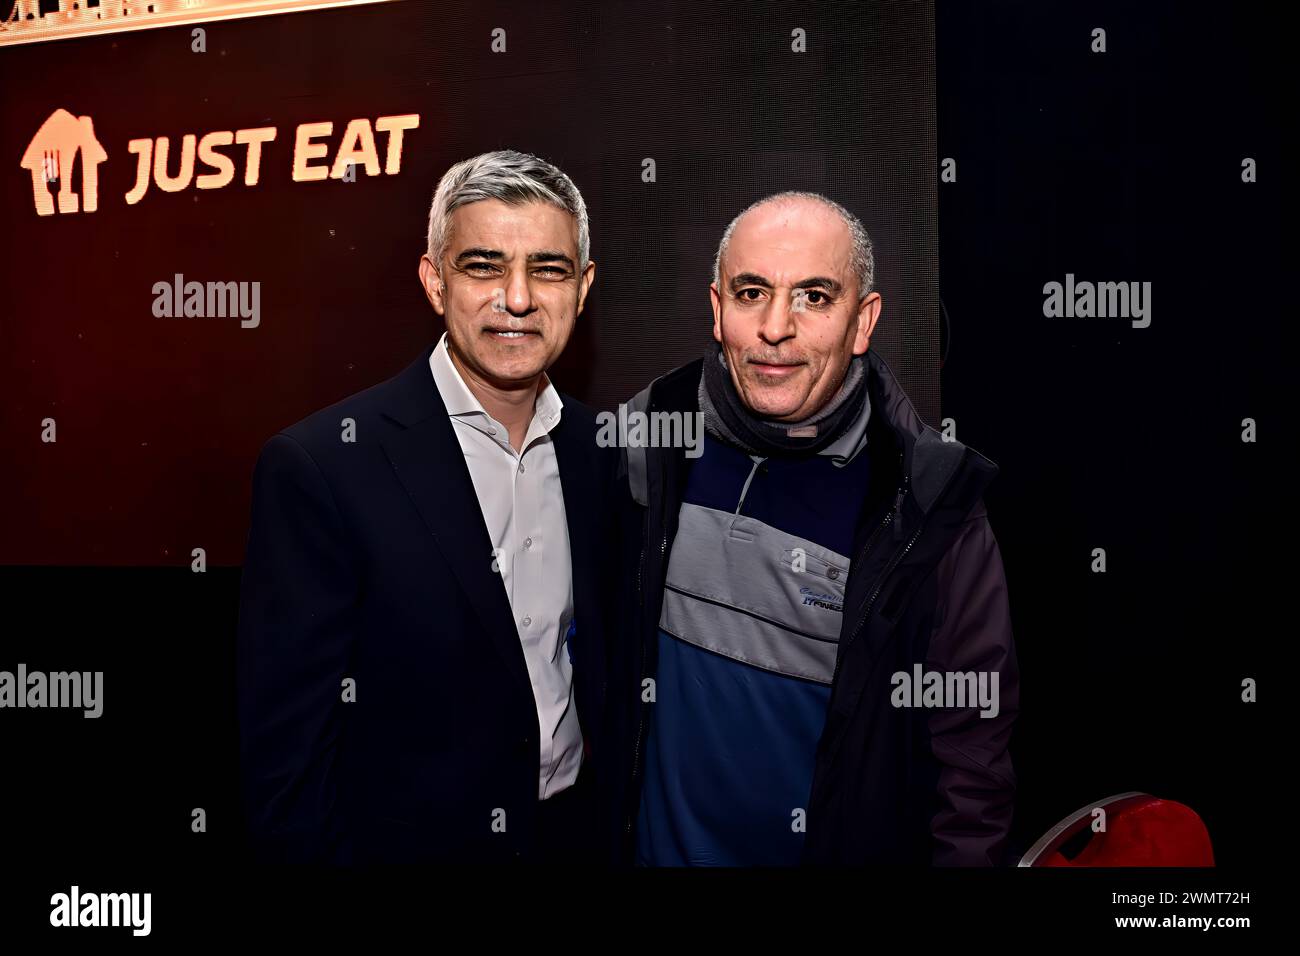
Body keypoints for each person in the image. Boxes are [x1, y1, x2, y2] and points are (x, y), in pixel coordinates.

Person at [237, 149, 620, 865]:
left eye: (548, 268)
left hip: (577, 842)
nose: (516, 297)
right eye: (482, 266)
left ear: (583, 286)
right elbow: (286, 761)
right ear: (434, 282)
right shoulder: (324, 466)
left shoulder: (607, 455)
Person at [616, 191, 1019, 866]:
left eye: (814, 296)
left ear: (863, 322)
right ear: (718, 311)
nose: (777, 327)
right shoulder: (644, 441)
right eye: (751, 293)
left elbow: (971, 771)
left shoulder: (931, 508)